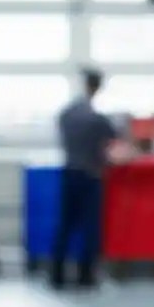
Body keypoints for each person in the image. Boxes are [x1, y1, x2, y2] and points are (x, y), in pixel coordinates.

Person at [51, 68, 118, 290]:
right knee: (90, 226)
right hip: (91, 175)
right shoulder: (97, 119)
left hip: (69, 172)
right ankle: (85, 276)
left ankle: (57, 274)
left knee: (65, 224)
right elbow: (113, 141)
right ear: (97, 87)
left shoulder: (66, 114)